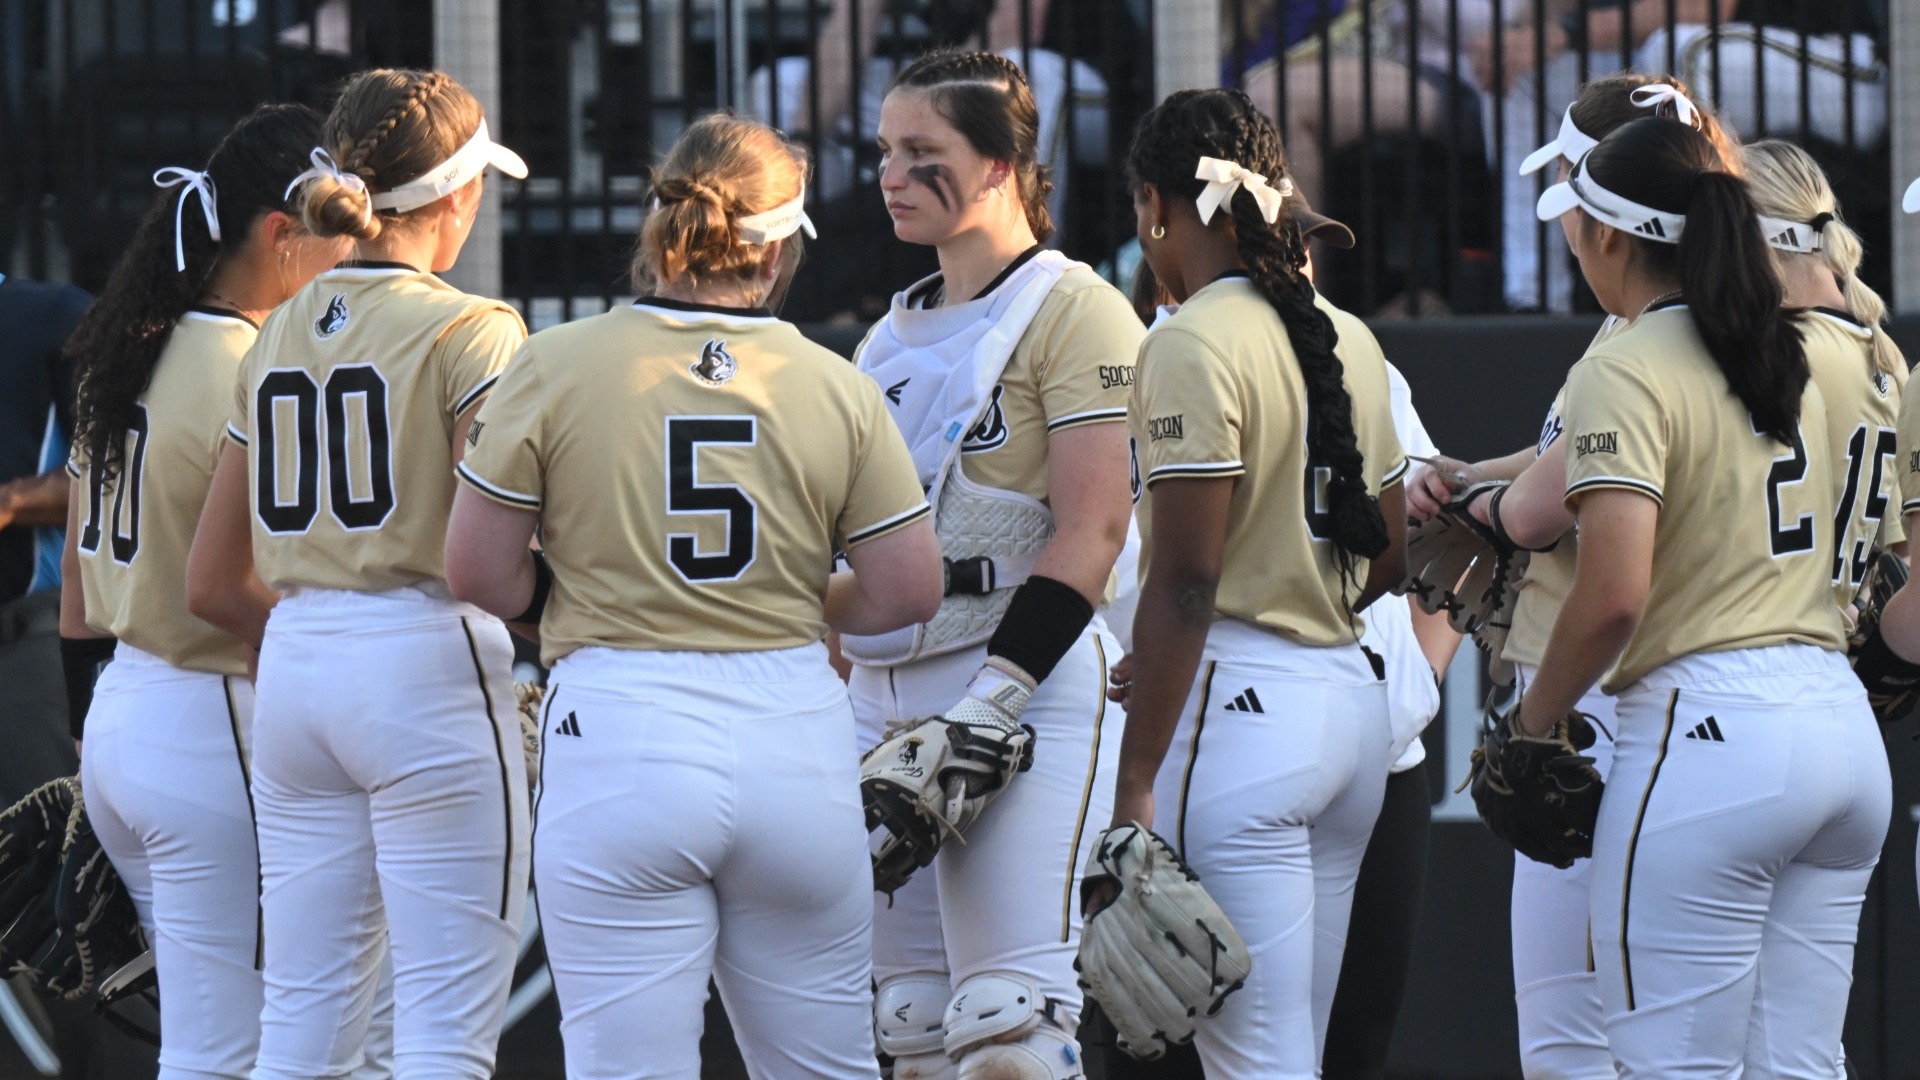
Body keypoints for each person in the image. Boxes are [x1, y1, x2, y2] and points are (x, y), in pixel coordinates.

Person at [442, 111, 943, 1080]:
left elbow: (476, 573)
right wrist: (795, 598)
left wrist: (582, 591)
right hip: (792, 735)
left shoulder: (554, 359)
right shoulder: (832, 381)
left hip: (622, 733)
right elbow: (906, 590)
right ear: (777, 249)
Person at [1518, 114, 1886, 1078]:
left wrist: (1534, 727)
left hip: (1709, 733)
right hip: (1845, 732)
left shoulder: (1626, 361)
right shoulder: (1852, 349)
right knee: (1802, 1065)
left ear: (1608, 236)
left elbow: (1612, 597)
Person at [184, 68, 532, 1080]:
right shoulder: (475, 327)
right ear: (459, 196)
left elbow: (211, 581)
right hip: (427, 656)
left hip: (295, 663)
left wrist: (318, 648)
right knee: (443, 1029)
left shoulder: (277, 324)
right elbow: (502, 551)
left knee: (302, 1026)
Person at [1404, 72, 1737, 1080]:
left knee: (1576, 1049)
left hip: (1621, 696)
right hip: (1735, 702)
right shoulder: (1739, 317)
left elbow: (1551, 507)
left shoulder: (1643, 339)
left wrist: (1472, 508)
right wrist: (1473, 477)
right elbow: (1564, 463)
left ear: (1610, 217)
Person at [841, 47, 1138, 1080]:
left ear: (1005, 163)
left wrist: (997, 696)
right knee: (912, 1025)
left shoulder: (1077, 307)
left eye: (924, 152)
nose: (891, 173)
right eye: (885, 149)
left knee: (1008, 1020)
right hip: (881, 695)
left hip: (1017, 691)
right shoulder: (886, 334)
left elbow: (1093, 529)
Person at [1108, 87, 1407, 1077]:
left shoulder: (1187, 338)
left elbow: (1189, 582)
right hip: (1347, 708)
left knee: (1257, 1065)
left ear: (1156, 205)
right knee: (1293, 1057)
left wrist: (1137, 781)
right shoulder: (1348, 333)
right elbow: (1391, 557)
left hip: (1240, 721)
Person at [57, 102, 348, 1080]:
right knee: (236, 1049)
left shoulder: (124, 342)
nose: (345, 260)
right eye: (333, 236)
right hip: (209, 718)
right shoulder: (256, 364)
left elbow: (75, 588)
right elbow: (243, 586)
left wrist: (88, 737)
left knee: (209, 1038)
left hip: (121, 719)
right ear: (278, 233)